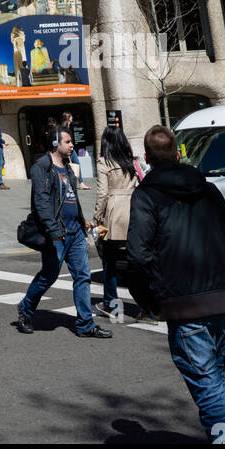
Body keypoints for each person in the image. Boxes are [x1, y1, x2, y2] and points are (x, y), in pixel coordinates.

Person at [126, 124, 225, 444]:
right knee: (213, 379)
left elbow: (138, 255)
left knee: (208, 383)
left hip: (183, 302)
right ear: (178, 153)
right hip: (219, 298)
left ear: (146, 158)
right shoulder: (207, 189)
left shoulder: (146, 195)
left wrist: (149, 301)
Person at [16, 126, 112, 339]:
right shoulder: (41, 167)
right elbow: (41, 203)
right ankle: (26, 309)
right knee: (48, 276)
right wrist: (53, 231)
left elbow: (70, 197)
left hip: (75, 231)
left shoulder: (68, 167)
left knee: (83, 276)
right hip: (56, 233)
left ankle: (86, 325)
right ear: (55, 144)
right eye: (67, 142)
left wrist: (82, 220)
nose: (72, 145)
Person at [91, 124, 142, 319]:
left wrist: (97, 217)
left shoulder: (105, 162)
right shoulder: (131, 161)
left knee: (109, 262)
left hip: (113, 211)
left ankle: (111, 303)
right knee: (137, 259)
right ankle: (146, 305)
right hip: (133, 209)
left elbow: (102, 192)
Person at [60, 111, 89, 190]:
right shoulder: (63, 129)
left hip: (71, 149)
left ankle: (81, 183)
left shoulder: (68, 127)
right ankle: (69, 183)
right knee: (68, 166)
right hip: (67, 150)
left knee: (76, 164)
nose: (72, 119)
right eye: (71, 117)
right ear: (67, 118)